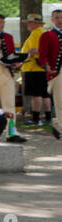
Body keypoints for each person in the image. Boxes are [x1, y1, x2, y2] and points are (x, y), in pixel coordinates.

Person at [19, 13, 50, 128]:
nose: (28, 24)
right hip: (43, 68)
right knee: (44, 94)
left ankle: (35, 118)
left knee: (36, 94)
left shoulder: (35, 34)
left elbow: (33, 51)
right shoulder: (44, 33)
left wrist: (26, 55)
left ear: (35, 23)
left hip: (33, 67)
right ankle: (47, 117)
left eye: (29, 22)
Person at [36, 8, 62, 140]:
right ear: (52, 19)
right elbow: (42, 55)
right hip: (57, 73)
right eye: (56, 17)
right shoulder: (47, 35)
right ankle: (59, 126)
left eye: (61, 17)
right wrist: (47, 66)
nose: (60, 20)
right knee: (60, 101)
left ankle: (57, 125)